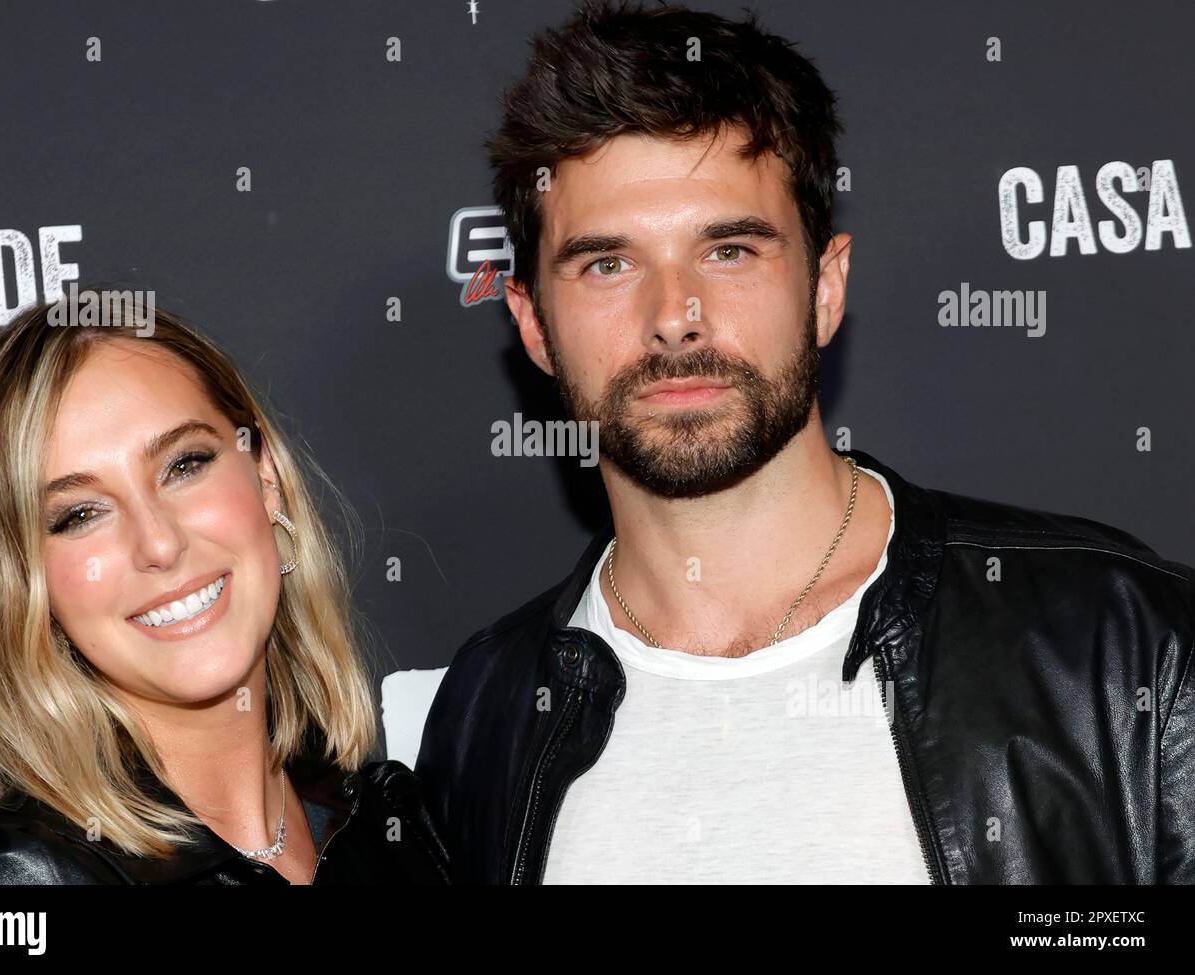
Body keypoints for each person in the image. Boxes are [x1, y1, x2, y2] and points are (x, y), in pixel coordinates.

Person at [415, 0, 1195, 884]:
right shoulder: (488, 713)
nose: (674, 317)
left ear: (826, 287)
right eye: (609, 263)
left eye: (730, 252)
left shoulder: (1123, 647)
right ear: (532, 323)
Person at [0, 298, 449, 884]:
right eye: (80, 514)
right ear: (20, 584)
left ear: (266, 477)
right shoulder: (9, 883)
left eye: (184, 465)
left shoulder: (391, 826)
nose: (159, 545)